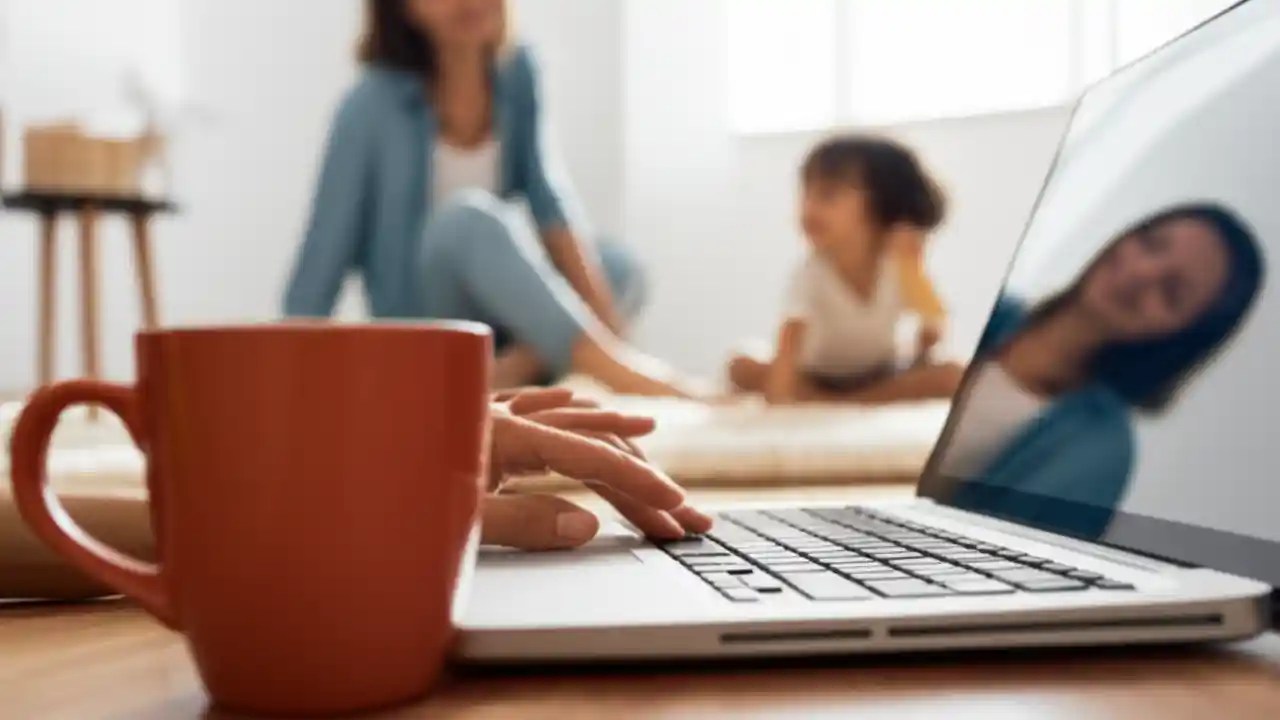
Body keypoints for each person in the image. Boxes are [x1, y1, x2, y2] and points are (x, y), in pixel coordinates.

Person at [284, 0, 698, 396]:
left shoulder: (517, 74)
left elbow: (548, 200)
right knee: (467, 220)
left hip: (501, 323)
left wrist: (606, 322)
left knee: (616, 266)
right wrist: (288, 374)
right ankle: (620, 373)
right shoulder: (368, 107)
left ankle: (502, 375)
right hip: (427, 326)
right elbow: (322, 261)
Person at [938, 203, 1265, 538]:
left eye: (1171, 291)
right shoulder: (984, 308)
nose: (1141, 274)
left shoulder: (1100, 451)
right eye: (1151, 243)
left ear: (1181, 338)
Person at [727, 135, 964, 404]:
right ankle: (853, 400)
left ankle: (836, 401)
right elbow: (790, 340)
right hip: (817, 374)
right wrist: (778, 399)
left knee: (955, 372)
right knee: (741, 362)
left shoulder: (898, 266)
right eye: (806, 195)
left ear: (882, 205)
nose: (809, 208)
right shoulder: (813, 270)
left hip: (882, 371)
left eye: (826, 195)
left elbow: (931, 336)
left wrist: (914, 269)